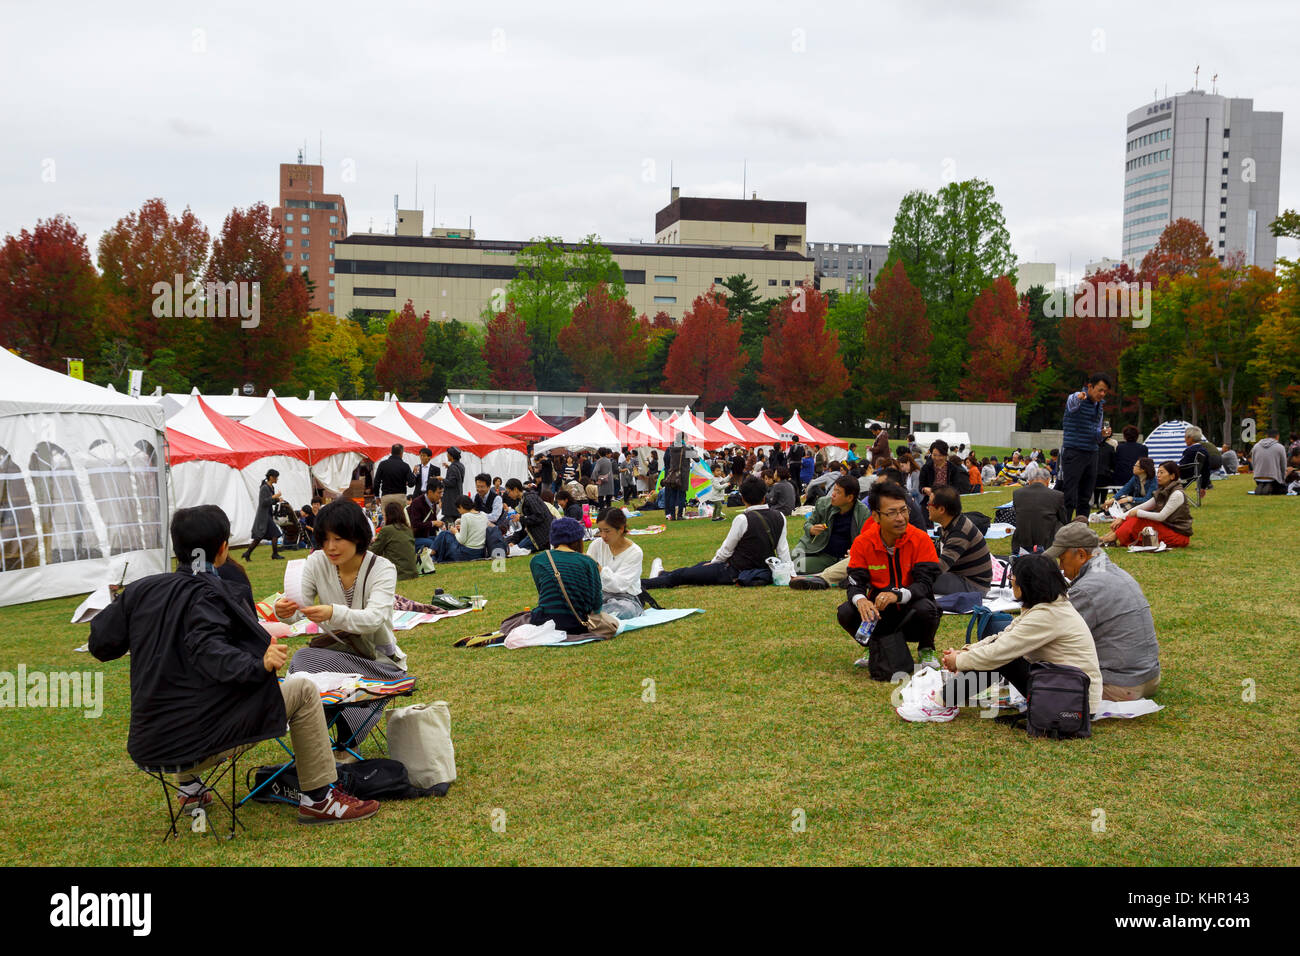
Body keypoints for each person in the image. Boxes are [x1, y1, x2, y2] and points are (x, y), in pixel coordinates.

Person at [90, 505, 379, 824]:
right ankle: (319, 799)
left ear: (178, 546)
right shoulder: (213, 593)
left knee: (182, 686)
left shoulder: (141, 591)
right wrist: (258, 664)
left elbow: (100, 644)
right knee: (303, 690)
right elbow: (208, 649)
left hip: (149, 748)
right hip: (201, 744)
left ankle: (190, 789)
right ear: (223, 548)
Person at [273, 499, 408, 760]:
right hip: (337, 655)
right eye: (325, 540)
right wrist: (284, 611)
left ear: (357, 536)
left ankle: (340, 742)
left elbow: (374, 619)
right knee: (304, 661)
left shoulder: (382, 568)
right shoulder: (316, 563)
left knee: (304, 662)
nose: (331, 547)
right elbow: (298, 609)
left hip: (379, 662)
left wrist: (333, 612)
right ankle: (318, 747)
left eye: (338, 539)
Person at [941, 554, 1103, 717]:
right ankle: (945, 697)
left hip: (1074, 704)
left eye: (1012, 577)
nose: (1011, 581)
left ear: (1026, 584)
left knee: (1003, 658)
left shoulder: (1047, 615)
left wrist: (959, 661)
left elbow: (999, 651)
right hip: (1067, 691)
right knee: (1000, 655)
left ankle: (941, 700)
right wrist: (966, 652)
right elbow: (1003, 636)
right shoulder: (1049, 606)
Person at [1046, 523, 1161, 701]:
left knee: (1039, 676)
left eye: (1062, 559)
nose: (1061, 567)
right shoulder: (1112, 572)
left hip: (1122, 684)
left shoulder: (1087, 589)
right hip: (1148, 677)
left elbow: (1052, 635)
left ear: (1082, 555)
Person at [837, 480, 942, 671]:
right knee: (846, 611)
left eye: (904, 510)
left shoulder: (920, 539)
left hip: (911, 609)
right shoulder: (863, 542)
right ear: (876, 516)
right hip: (880, 613)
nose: (900, 518)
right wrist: (861, 600)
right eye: (892, 513)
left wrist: (898, 595)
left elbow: (925, 583)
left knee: (928, 607)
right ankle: (874, 648)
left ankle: (926, 648)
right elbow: (855, 582)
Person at [643, 476, 790, 589]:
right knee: (698, 567)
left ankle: (645, 583)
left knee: (684, 575)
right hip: (761, 570)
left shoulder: (743, 519)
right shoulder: (780, 516)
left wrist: (714, 563)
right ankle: (662, 573)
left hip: (733, 571)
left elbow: (727, 550)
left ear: (743, 499)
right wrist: (790, 574)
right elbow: (783, 550)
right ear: (764, 497)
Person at [528, 517, 602, 632]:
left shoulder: (538, 560)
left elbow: (543, 591)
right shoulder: (588, 562)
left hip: (547, 623)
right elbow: (597, 605)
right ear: (578, 539)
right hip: (579, 624)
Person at [1099, 461, 1192, 548]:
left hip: (1178, 534)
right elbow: (1144, 505)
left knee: (1139, 519)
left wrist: (1137, 512)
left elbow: (1161, 516)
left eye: (1162, 473)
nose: (1158, 475)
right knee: (1131, 515)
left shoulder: (1177, 494)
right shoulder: (1162, 490)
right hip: (1166, 527)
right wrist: (1122, 518)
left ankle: (1111, 538)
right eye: (1158, 472)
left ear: (1172, 476)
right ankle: (1110, 536)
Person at [792, 476, 869, 575]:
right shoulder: (824, 503)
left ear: (850, 498)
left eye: (838, 492)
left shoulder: (862, 513)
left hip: (832, 555)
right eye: (834, 490)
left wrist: (855, 553)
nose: (833, 494)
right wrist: (811, 529)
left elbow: (865, 540)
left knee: (797, 566)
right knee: (791, 557)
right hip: (814, 544)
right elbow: (808, 523)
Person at [1058, 375, 1109, 519]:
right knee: (1070, 494)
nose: (1102, 394)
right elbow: (1072, 401)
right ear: (1090, 387)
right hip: (1074, 451)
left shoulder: (1100, 406)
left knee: (1086, 495)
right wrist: (1079, 396)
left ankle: (1082, 528)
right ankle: (1064, 528)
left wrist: (1103, 434)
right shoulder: (1077, 399)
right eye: (1100, 390)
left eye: (1105, 392)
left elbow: (1096, 435)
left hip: (1092, 452)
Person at [926, 486, 992, 596]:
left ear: (941, 510)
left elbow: (940, 567)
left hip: (974, 586)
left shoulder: (960, 532)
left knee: (921, 580)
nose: (927, 507)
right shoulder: (952, 524)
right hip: (960, 577)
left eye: (930, 504)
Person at [587, 508, 644, 620]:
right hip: (598, 594)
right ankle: (594, 616)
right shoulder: (596, 545)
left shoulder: (635, 552)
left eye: (607, 531)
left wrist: (598, 568)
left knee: (626, 610)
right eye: (600, 530)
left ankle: (590, 616)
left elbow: (618, 585)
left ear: (621, 529)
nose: (603, 535)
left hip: (624, 598)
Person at [1010, 464, 1069, 554]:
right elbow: (1064, 519)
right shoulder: (1057, 495)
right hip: (1047, 540)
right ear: (1048, 480)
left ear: (1029, 480)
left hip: (1022, 539)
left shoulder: (1017, 493)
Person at [242, 469, 285, 561]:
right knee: (275, 533)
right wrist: (275, 497)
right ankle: (275, 554)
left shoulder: (271, 488)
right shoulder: (264, 488)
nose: (277, 479)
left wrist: (277, 500)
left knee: (259, 537)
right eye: (276, 477)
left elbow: (270, 502)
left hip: (268, 515)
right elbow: (263, 502)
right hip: (263, 516)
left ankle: (247, 553)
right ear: (271, 477)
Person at [432, 495, 489, 562]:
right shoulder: (483, 515)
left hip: (466, 554)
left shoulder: (465, 516)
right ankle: (433, 555)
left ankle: (432, 554)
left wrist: (455, 532)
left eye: (458, 509)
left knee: (444, 534)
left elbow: (462, 540)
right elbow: (475, 531)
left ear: (461, 507)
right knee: (446, 534)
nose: (459, 512)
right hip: (480, 553)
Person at [370, 502, 418, 580]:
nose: (383, 517)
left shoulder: (387, 530)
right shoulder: (408, 529)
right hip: (412, 573)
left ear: (388, 516)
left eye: (384, 515)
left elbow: (373, 552)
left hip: (397, 574)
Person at [504, 477, 553, 552]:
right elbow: (522, 527)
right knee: (510, 546)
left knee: (516, 550)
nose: (508, 495)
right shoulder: (522, 501)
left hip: (542, 537)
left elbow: (539, 516)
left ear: (516, 489)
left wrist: (521, 518)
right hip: (533, 535)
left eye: (508, 492)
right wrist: (513, 541)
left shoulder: (530, 498)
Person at [374, 444, 415, 514]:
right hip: (400, 497)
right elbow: (411, 483)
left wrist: (377, 496)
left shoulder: (382, 464)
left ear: (391, 452)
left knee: (387, 520)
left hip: (386, 496)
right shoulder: (405, 466)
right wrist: (413, 475)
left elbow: (376, 481)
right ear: (401, 453)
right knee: (400, 520)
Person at [408, 479, 445, 553]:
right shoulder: (417, 503)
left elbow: (432, 526)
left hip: (425, 537)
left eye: (442, 493)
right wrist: (433, 523)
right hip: (413, 538)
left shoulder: (433, 503)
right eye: (439, 493)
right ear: (430, 492)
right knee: (432, 544)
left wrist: (440, 526)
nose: (441, 495)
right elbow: (415, 524)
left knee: (441, 541)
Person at [1249, 428, 1288, 495]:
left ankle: (1262, 486)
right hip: (1274, 477)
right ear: (1277, 436)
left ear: (1266, 436)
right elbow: (1283, 465)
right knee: (1283, 490)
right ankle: (1270, 488)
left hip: (1258, 476)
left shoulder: (1256, 446)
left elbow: (1253, 462)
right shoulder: (1280, 447)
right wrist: (1283, 478)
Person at [1179, 426, 1212, 502]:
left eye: (1185, 437)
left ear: (1190, 438)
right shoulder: (1204, 451)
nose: (1184, 439)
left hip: (1184, 477)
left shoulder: (1189, 451)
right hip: (1194, 476)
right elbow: (1206, 471)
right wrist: (1203, 486)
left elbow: (1182, 466)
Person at [662, 437, 689, 521]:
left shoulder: (669, 449)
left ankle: (673, 516)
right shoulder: (686, 449)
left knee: (672, 496)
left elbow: (665, 462)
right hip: (683, 476)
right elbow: (697, 459)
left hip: (672, 475)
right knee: (681, 496)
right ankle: (680, 515)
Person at [1093, 425, 1118, 507]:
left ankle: (1098, 501)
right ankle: (1099, 501)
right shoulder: (1105, 446)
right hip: (1104, 470)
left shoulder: (1113, 443)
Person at [441, 447, 466, 522]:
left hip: (451, 499)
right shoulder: (460, 465)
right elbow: (458, 478)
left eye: (448, 454)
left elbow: (451, 483)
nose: (447, 455)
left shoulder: (453, 467)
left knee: (450, 522)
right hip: (458, 496)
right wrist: (449, 467)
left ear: (451, 456)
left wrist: (441, 479)